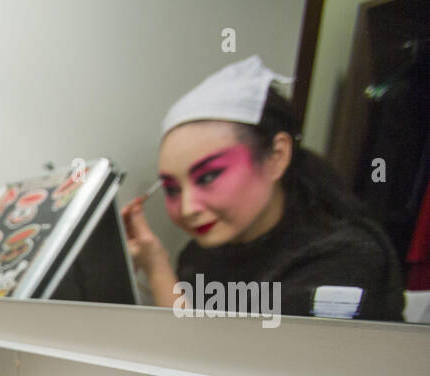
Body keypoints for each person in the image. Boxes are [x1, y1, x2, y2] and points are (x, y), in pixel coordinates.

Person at [122, 56, 405, 321]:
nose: (188, 208)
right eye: (172, 189)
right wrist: (154, 260)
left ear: (277, 156)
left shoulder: (341, 258)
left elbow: (226, 361)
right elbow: (192, 345)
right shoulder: (199, 257)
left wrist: (157, 269)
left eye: (208, 177)